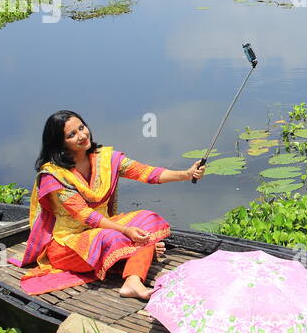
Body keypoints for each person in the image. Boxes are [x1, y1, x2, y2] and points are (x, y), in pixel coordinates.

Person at [12, 111, 205, 300]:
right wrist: (126, 230)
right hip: (68, 244)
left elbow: (146, 173)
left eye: (81, 127)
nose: (82, 135)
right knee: (115, 237)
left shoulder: (106, 158)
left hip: (107, 229)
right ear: (59, 143)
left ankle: (132, 280)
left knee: (149, 219)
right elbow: (86, 216)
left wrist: (186, 174)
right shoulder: (54, 175)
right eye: (72, 135)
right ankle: (139, 254)